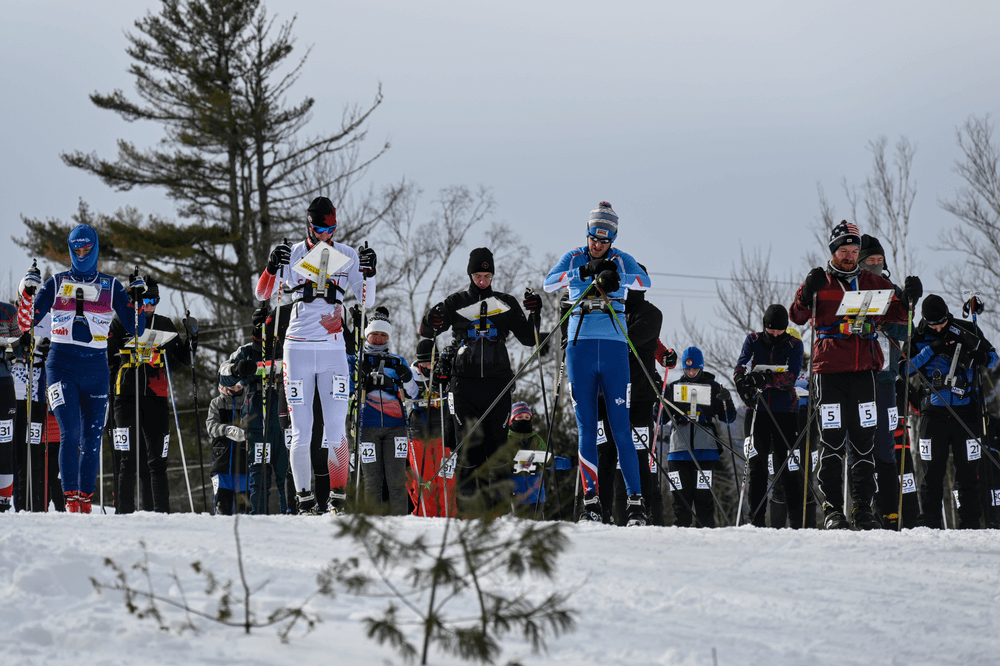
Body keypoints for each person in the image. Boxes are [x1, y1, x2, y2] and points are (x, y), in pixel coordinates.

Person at [789, 220, 918, 530]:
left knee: (864, 441)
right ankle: (833, 508)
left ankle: (862, 508)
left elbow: (899, 314)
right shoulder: (822, 280)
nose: (849, 255)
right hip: (829, 372)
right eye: (843, 250)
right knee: (832, 441)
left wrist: (911, 297)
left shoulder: (873, 282)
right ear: (833, 251)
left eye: (853, 250)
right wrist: (807, 292)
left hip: (864, 372)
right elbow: (797, 315)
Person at [255, 196, 377, 514]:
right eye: (321, 228)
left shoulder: (346, 254)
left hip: (334, 349)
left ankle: (338, 497)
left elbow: (367, 299)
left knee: (337, 425)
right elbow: (262, 294)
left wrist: (370, 271)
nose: (326, 234)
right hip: (297, 349)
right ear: (309, 225)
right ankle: (305, 498)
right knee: (302, 428)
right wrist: (271, 266)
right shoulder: (292, 253)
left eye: (332, 228)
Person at [16, 224, 146, 513]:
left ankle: (85, 501)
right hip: (61, 366)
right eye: (77, 249)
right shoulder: (56, 283)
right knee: (70, 433)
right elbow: (24, 324)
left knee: (92, 438)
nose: (83, 254)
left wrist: (136, 299)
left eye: (88, 248)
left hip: (97, 371)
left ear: (96, 248)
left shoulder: (111, 286)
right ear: (70, 250)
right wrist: (26, 292)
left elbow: (136, 329)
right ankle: (70, 500)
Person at [544, 201, 652, 526]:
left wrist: (617, 275)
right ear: (588, 232)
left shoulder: (621, 258)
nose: (598, 245)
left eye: (604, 241)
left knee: (621, 427)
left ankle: (635, 504)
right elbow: (550, 283)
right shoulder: (575, 256)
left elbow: (645, 282)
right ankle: (590, 501)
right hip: (580, 348)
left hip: (616, 348)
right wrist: (583, 272)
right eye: (594, 238)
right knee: (587, 428)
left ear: (613, 239)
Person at [419, 247, 539, 511]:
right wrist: (432, 317)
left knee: (497, 447)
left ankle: (498, 513)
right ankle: (469, 513)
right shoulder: (458, 301)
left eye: (487, 275)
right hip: (464, 384)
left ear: (493, 274)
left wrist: (535, 312)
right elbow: (427, 331)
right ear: (470, 274)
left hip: (498, 384)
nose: (482, 280)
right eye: (477, 275)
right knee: (468, 447)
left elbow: (530, 339)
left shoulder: (505, 302)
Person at [905, 294, 998, 529]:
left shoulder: (966, 329)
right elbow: (903, 369)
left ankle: (970, 522)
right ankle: (929, 522)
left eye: (942, 322)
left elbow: (994, 358)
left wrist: (982, 357)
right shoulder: (918, 335)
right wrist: (932, 350)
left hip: (966, 411)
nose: (938, 328)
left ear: (948, 315)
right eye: (933, 324)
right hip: (933, 412)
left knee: (968, 471)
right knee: (931, 471)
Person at [107, 276, 190, 513]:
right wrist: (127, 359)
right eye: (147, 299)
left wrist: (192, 338)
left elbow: (181, 361)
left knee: (157, 462)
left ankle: (160, 513)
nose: (151, 305)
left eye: (155, 300)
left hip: (156, 396)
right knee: (128, 459)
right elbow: (107, 358)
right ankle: (124, 512)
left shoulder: (164, 323)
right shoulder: (121, 322)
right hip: (126, 397)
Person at [857, 234, 919, 528]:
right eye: (871, 261)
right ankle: (862, 508)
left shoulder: (892, 291)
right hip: (856, 378)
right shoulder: (853, 289)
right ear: (859, 263)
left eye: (880, 261)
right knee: (859, 444)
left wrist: (909, 303)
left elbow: (907, 333)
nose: (876, 265)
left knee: (885, 444)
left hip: (885, 379)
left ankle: (890, 511)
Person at [734, 304, 804, 527]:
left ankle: (795, 521)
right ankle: (756, 521)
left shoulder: (794, 344)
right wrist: (742, 384)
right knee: (758, 468)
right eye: (770, 330)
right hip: (758, 411)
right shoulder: (754, 340)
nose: (774, 334)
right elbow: (741, 365)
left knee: (788, 468)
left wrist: (766, 379)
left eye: (778, 331)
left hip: (785, 411)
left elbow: (791, 377)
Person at [219, 304, 290, 514]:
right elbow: (223, 373)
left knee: (286, 470)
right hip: (256, 419)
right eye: (259, 327)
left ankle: (291, 512)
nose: (263, 332)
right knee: (258, 471)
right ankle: (258, 514)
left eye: (268, 327)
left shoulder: (287, 348)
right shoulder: (246, 351)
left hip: (284, 417)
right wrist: (236, 369)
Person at [349, 311, 418, 515]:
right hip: (367, 428)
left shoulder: (397, 361)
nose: (378, 339)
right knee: (372, 481)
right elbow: (345, 391)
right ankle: (372, 522)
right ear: (367, 336)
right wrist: (357, 376)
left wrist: (406, 377)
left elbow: (413, 393)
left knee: (396, 479)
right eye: (375, 334)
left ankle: (400, 523)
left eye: (383, 336)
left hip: (395, 428)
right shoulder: (356, 359)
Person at [665, 346, 736, 528]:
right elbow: (661, 418)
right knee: (680, 500)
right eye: (687, 369)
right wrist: (660, 400)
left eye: (694, 369)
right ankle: (679, 539)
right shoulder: (674, 388)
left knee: (703, 499)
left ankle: (707, 538)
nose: (691, 372)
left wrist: (726, 400)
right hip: (678, 452)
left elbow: (729, 418)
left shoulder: (713, 387)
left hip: (705, 452)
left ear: (701, 367)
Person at [206, 380, 249, 515]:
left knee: (245, 510)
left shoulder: (248, 402)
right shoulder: (216, 403)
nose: (236, 389)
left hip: (243, 467)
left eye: (239, 386)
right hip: (222, 465)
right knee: (222, 508)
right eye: (232, 386)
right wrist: (226, 430)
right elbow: (211, 427)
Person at [0, 301, 17, 511]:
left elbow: (21, 348)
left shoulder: (8, 311)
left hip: (4, 383)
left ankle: (3, 500)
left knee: (5, 446)